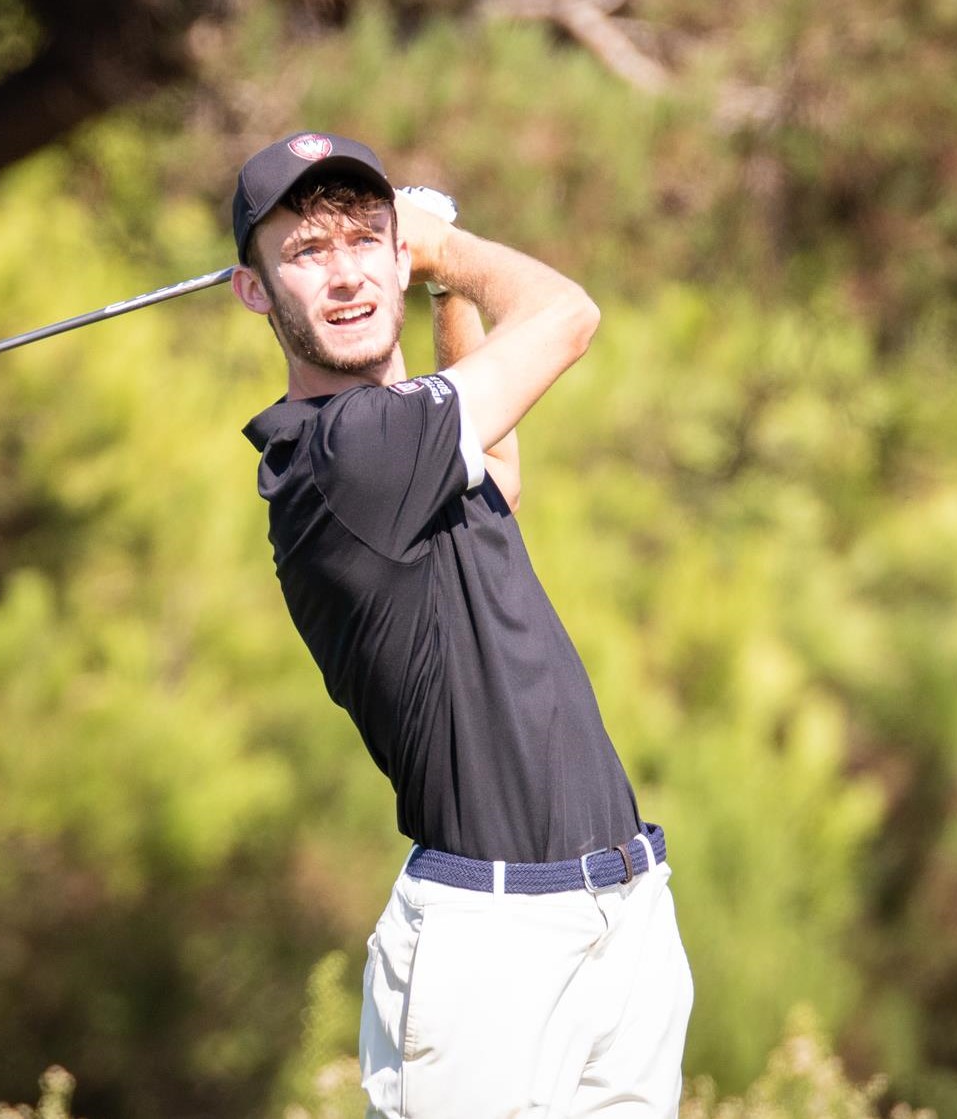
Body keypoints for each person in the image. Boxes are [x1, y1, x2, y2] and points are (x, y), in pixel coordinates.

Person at [232, 131, 694, 1118]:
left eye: (364, 239)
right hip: (493, 942)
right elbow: (567, 315)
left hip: (621, 909)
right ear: (253, 292)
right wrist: (444, 249)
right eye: (306, 253)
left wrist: (442, 299)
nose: (347, 274)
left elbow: (502, 476)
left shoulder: (406, 448)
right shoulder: (347, 454)